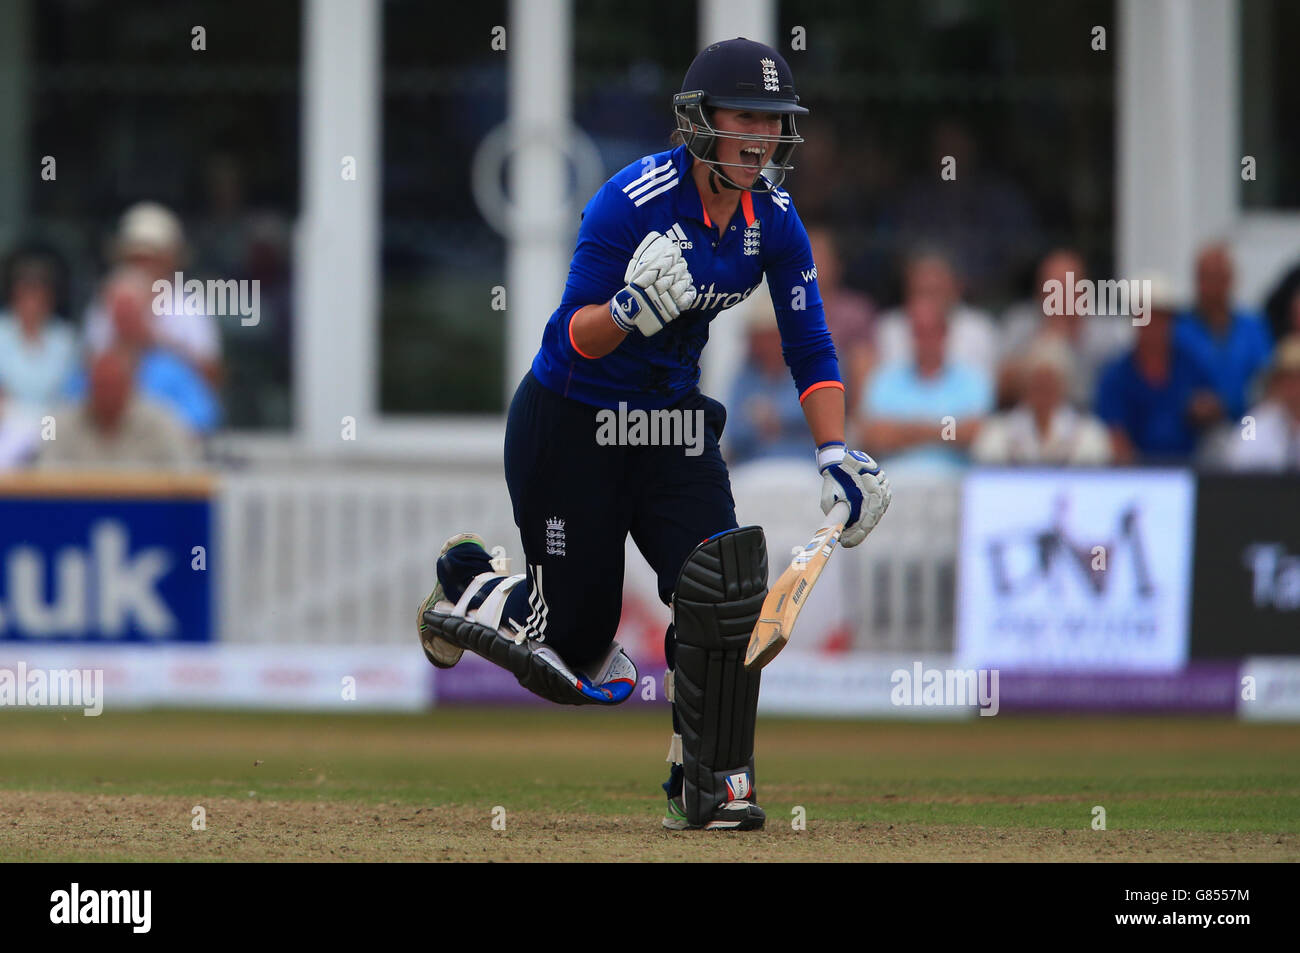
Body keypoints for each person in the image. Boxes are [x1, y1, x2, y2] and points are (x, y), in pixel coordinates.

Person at [415, 38, 891, 832]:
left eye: (774, 123)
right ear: (700, 119)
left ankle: (708, 785)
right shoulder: (628, 202)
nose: (762, 138)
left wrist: (835, 451)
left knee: (725, 591)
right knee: (575, 653)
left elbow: (810, 344)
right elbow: (567, 338)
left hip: (670, 426)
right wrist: (629, 309)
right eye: (747, 118)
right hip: (569, 424)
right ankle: (470, 583)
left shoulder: (772, 218)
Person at [66, 268, 221, 436]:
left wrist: (156, 428)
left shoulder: (171, 367)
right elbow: (66, 410)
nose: (125, 319)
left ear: (147, 313)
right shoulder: (95, 369)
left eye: (131, 311)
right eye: (119, 310)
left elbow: (206, 416)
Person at [83, 202, 224, 387]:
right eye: (135, 259)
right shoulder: (106, 300)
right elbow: (86, 371)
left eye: (152, 259)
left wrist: (151, 339)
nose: (143, 268)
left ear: (171, 261)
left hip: (177, 409)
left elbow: (213, 377)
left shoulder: (189, 306)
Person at [1094, 276, 1221, 463]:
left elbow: (1216, 406)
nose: (1153, 326)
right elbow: (1114, 434)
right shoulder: (1116, 375)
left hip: (1192, 468)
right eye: (1145, 317)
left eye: (1160, 318)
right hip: (1137, 475)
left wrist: (1207, 410)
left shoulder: (1190, 365)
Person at [860, 298, 993, 473]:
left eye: (931, 332)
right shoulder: (885, 379)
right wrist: (944, 430)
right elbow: (873, 437)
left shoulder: (972, 379)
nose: (925, 340)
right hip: (895, 481)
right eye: (919, 332)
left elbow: (972, 434)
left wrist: (904, 431)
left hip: (953, 481)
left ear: (945, 334)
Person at [996, 248, 1133, 409]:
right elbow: (1001, 390)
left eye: (1066, 287)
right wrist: (1040, 346)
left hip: (1090, 419)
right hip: (1031, 419)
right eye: (1051, 288)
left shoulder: (1108, 332)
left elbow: (1124, 387)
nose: (1058, 296)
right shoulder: (1019, 324)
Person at [39, 348, 199, 470]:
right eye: (102, 385)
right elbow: (42, 479)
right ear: (89, 386)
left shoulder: (163, 420)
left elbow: (187, 476)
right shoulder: (57, 423)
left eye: (114, 385)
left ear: (130, 386)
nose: (108, 393)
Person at [972, 337, 1111, 465]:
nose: (1044, 392)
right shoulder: (997, 433)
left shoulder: (1089, 434)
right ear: (1025, 385)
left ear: (1063, 387)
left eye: (1050, 384)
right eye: (1038, 384)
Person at [1173, 243, 1272, 420]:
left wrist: (1229, 404)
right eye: (1205, 277)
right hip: (1193, 433)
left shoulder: (1253, 328)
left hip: (1247, 426)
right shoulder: (1179, 330)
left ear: (1231, 280)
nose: (1211, 286)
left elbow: (1266, 379)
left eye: (1217, 277)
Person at [874, 248, 998, 377]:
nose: (928, 300)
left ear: (956, 289)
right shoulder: (889, 328)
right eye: (920, 291)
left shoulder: (979, 329)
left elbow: (986, 388)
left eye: (935, 291)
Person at [725, 293, 810, 464]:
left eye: (767, 336)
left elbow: (822, 415)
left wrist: (774, 415)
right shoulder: (745, 375)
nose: (760, 344)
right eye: (756, 336)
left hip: (805, 466)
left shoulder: (813, 365)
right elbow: (733, 431)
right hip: (753, 466)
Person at [0, 255, 78, 411]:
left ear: (49, 299)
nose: (31, 303)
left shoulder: (66, 338)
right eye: (26, 293)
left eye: (37, 294)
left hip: (52, 419)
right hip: (6, 420)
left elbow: (71, 392)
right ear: (15, 296)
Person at [1214, 335, 1300, 472]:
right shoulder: (1255, 421)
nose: (1294, 388)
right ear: (1276, 383)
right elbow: (1237, 462)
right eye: (1288, 379)